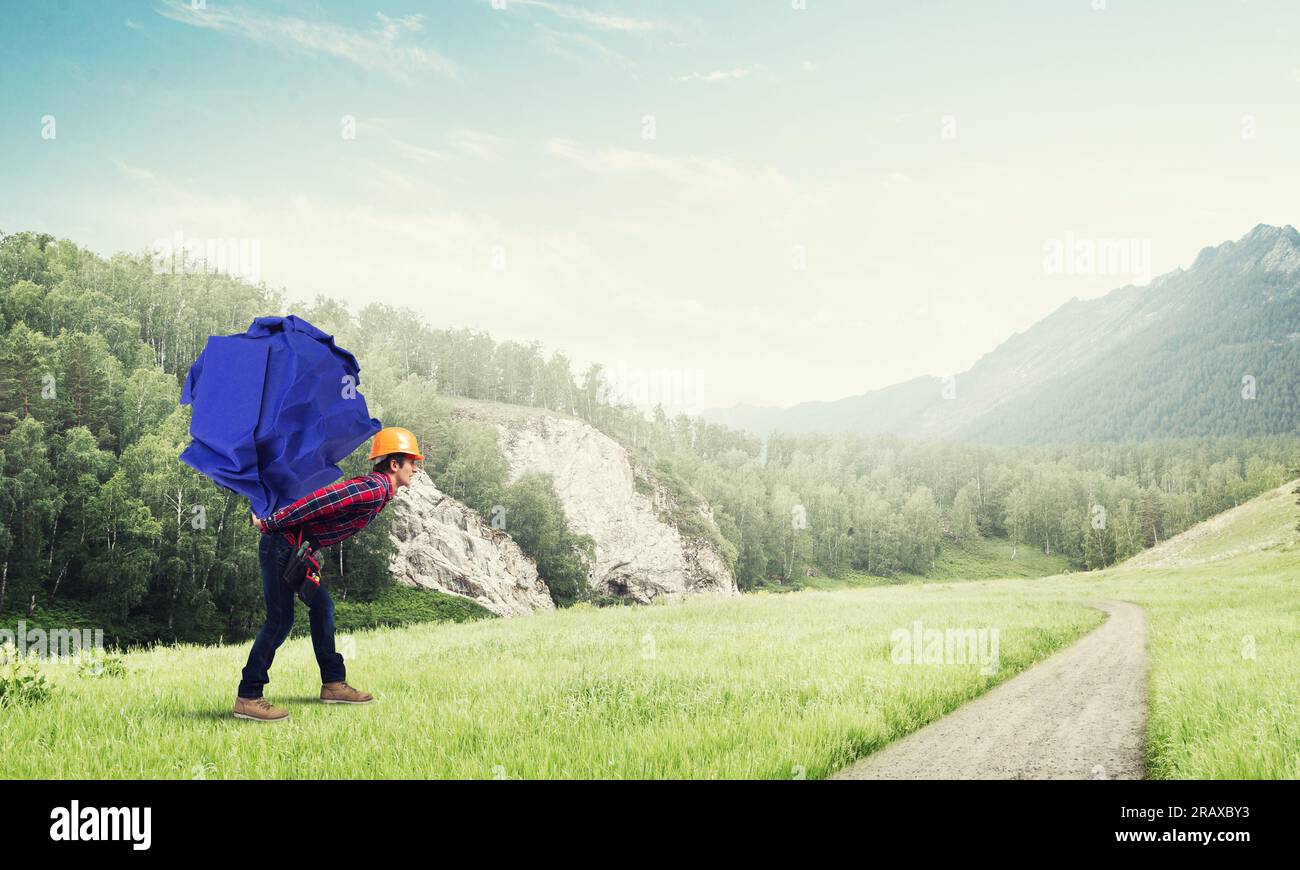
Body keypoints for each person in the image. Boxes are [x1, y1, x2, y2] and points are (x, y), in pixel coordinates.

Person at [232, 427, 424, 722]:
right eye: (412, 461)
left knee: (323, 606)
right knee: (280, 620)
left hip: (295, 549)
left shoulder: (381, 492)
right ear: (394, 464)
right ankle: (248, 695)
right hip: (281, 544)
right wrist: (271, 523)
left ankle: (333, 684)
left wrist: (311, 551)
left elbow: (325, 519)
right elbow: (321, 501)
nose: (416, 467)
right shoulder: (373, 488)